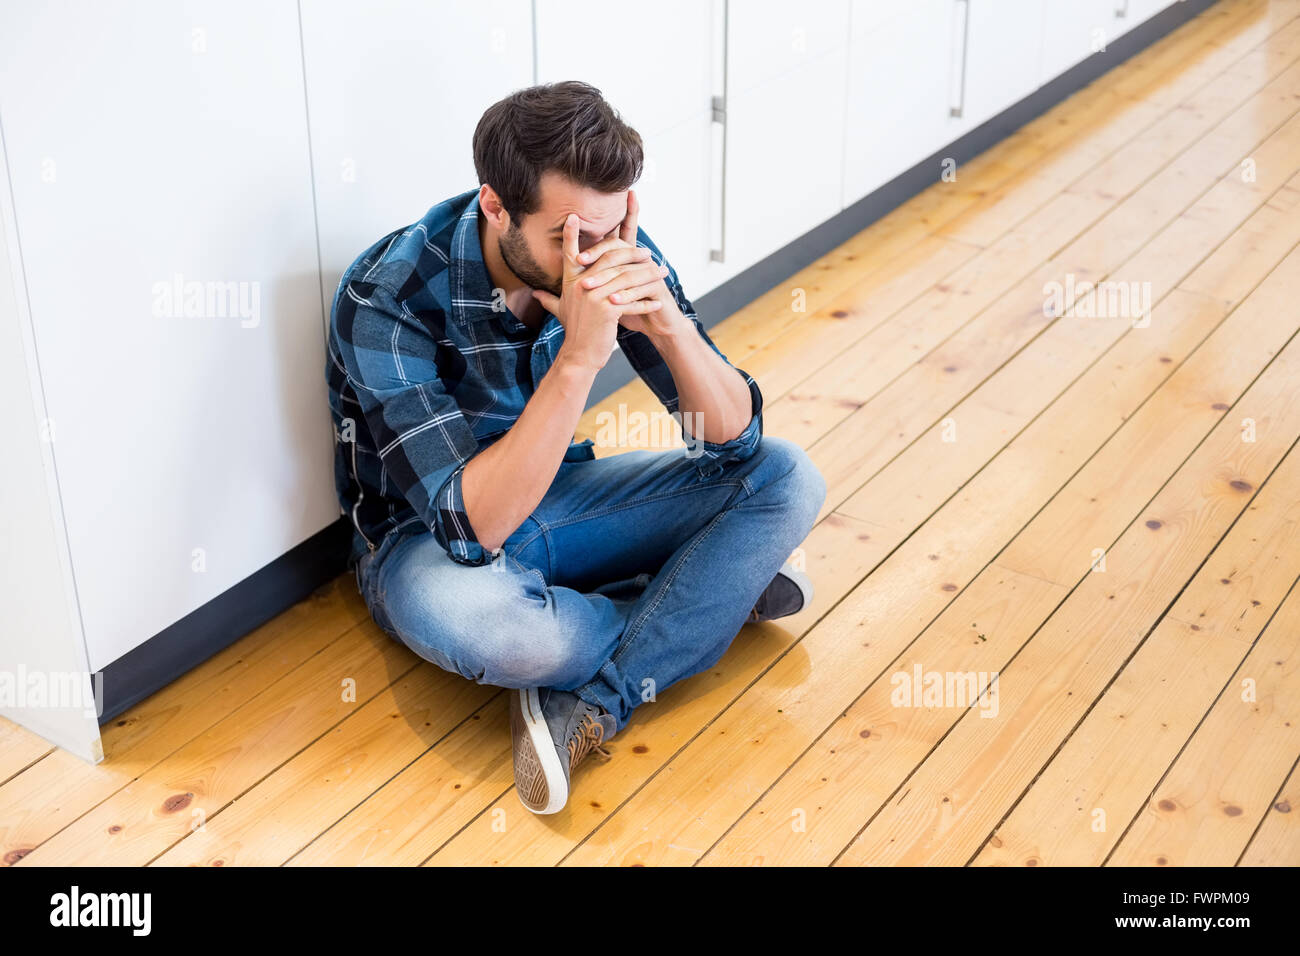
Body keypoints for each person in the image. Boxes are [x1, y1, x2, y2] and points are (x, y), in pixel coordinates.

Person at [324, 80, 826, 815]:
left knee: (789, 477)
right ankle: (702, 595)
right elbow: (473, 531)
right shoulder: (385, 296)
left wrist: (670, 328)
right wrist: (579, 361)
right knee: (514, 638)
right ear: (496, 207)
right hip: (423, 541)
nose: (591, 254)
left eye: (611, 224)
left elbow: (734, 442)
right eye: (568, 237)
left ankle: (598, 696)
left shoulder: (606, 236)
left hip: (561, 500)